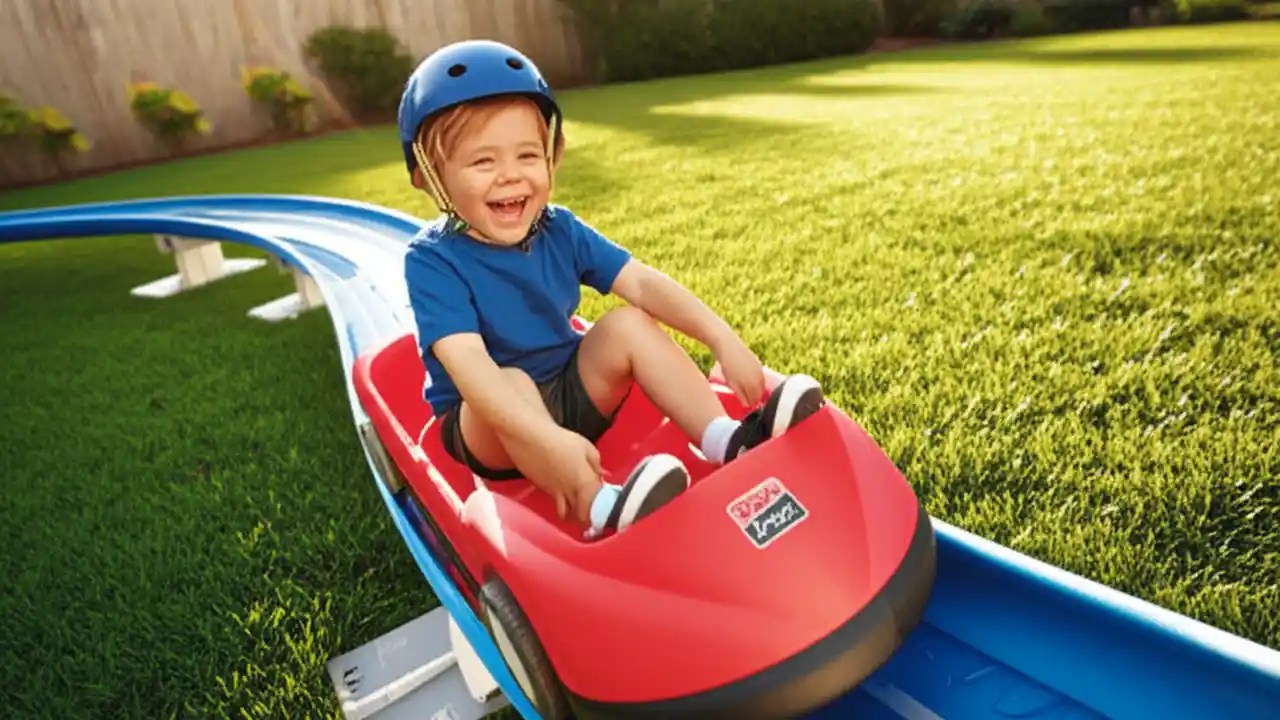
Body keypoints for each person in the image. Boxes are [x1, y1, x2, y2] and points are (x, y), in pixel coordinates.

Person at [398, 39, 825, 539]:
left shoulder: (559, 228)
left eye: (527, 154)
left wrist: (720, 337)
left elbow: (640, 282)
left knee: (627, 324)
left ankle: (727, 439)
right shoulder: (432, 261)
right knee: (509, 381)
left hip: (568, 391)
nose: (510, 175)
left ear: (552, 156)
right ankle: (598, 503)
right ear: (430, 177)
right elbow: (471, 366)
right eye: (483, 162)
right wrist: (545, 439)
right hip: (491, 429)